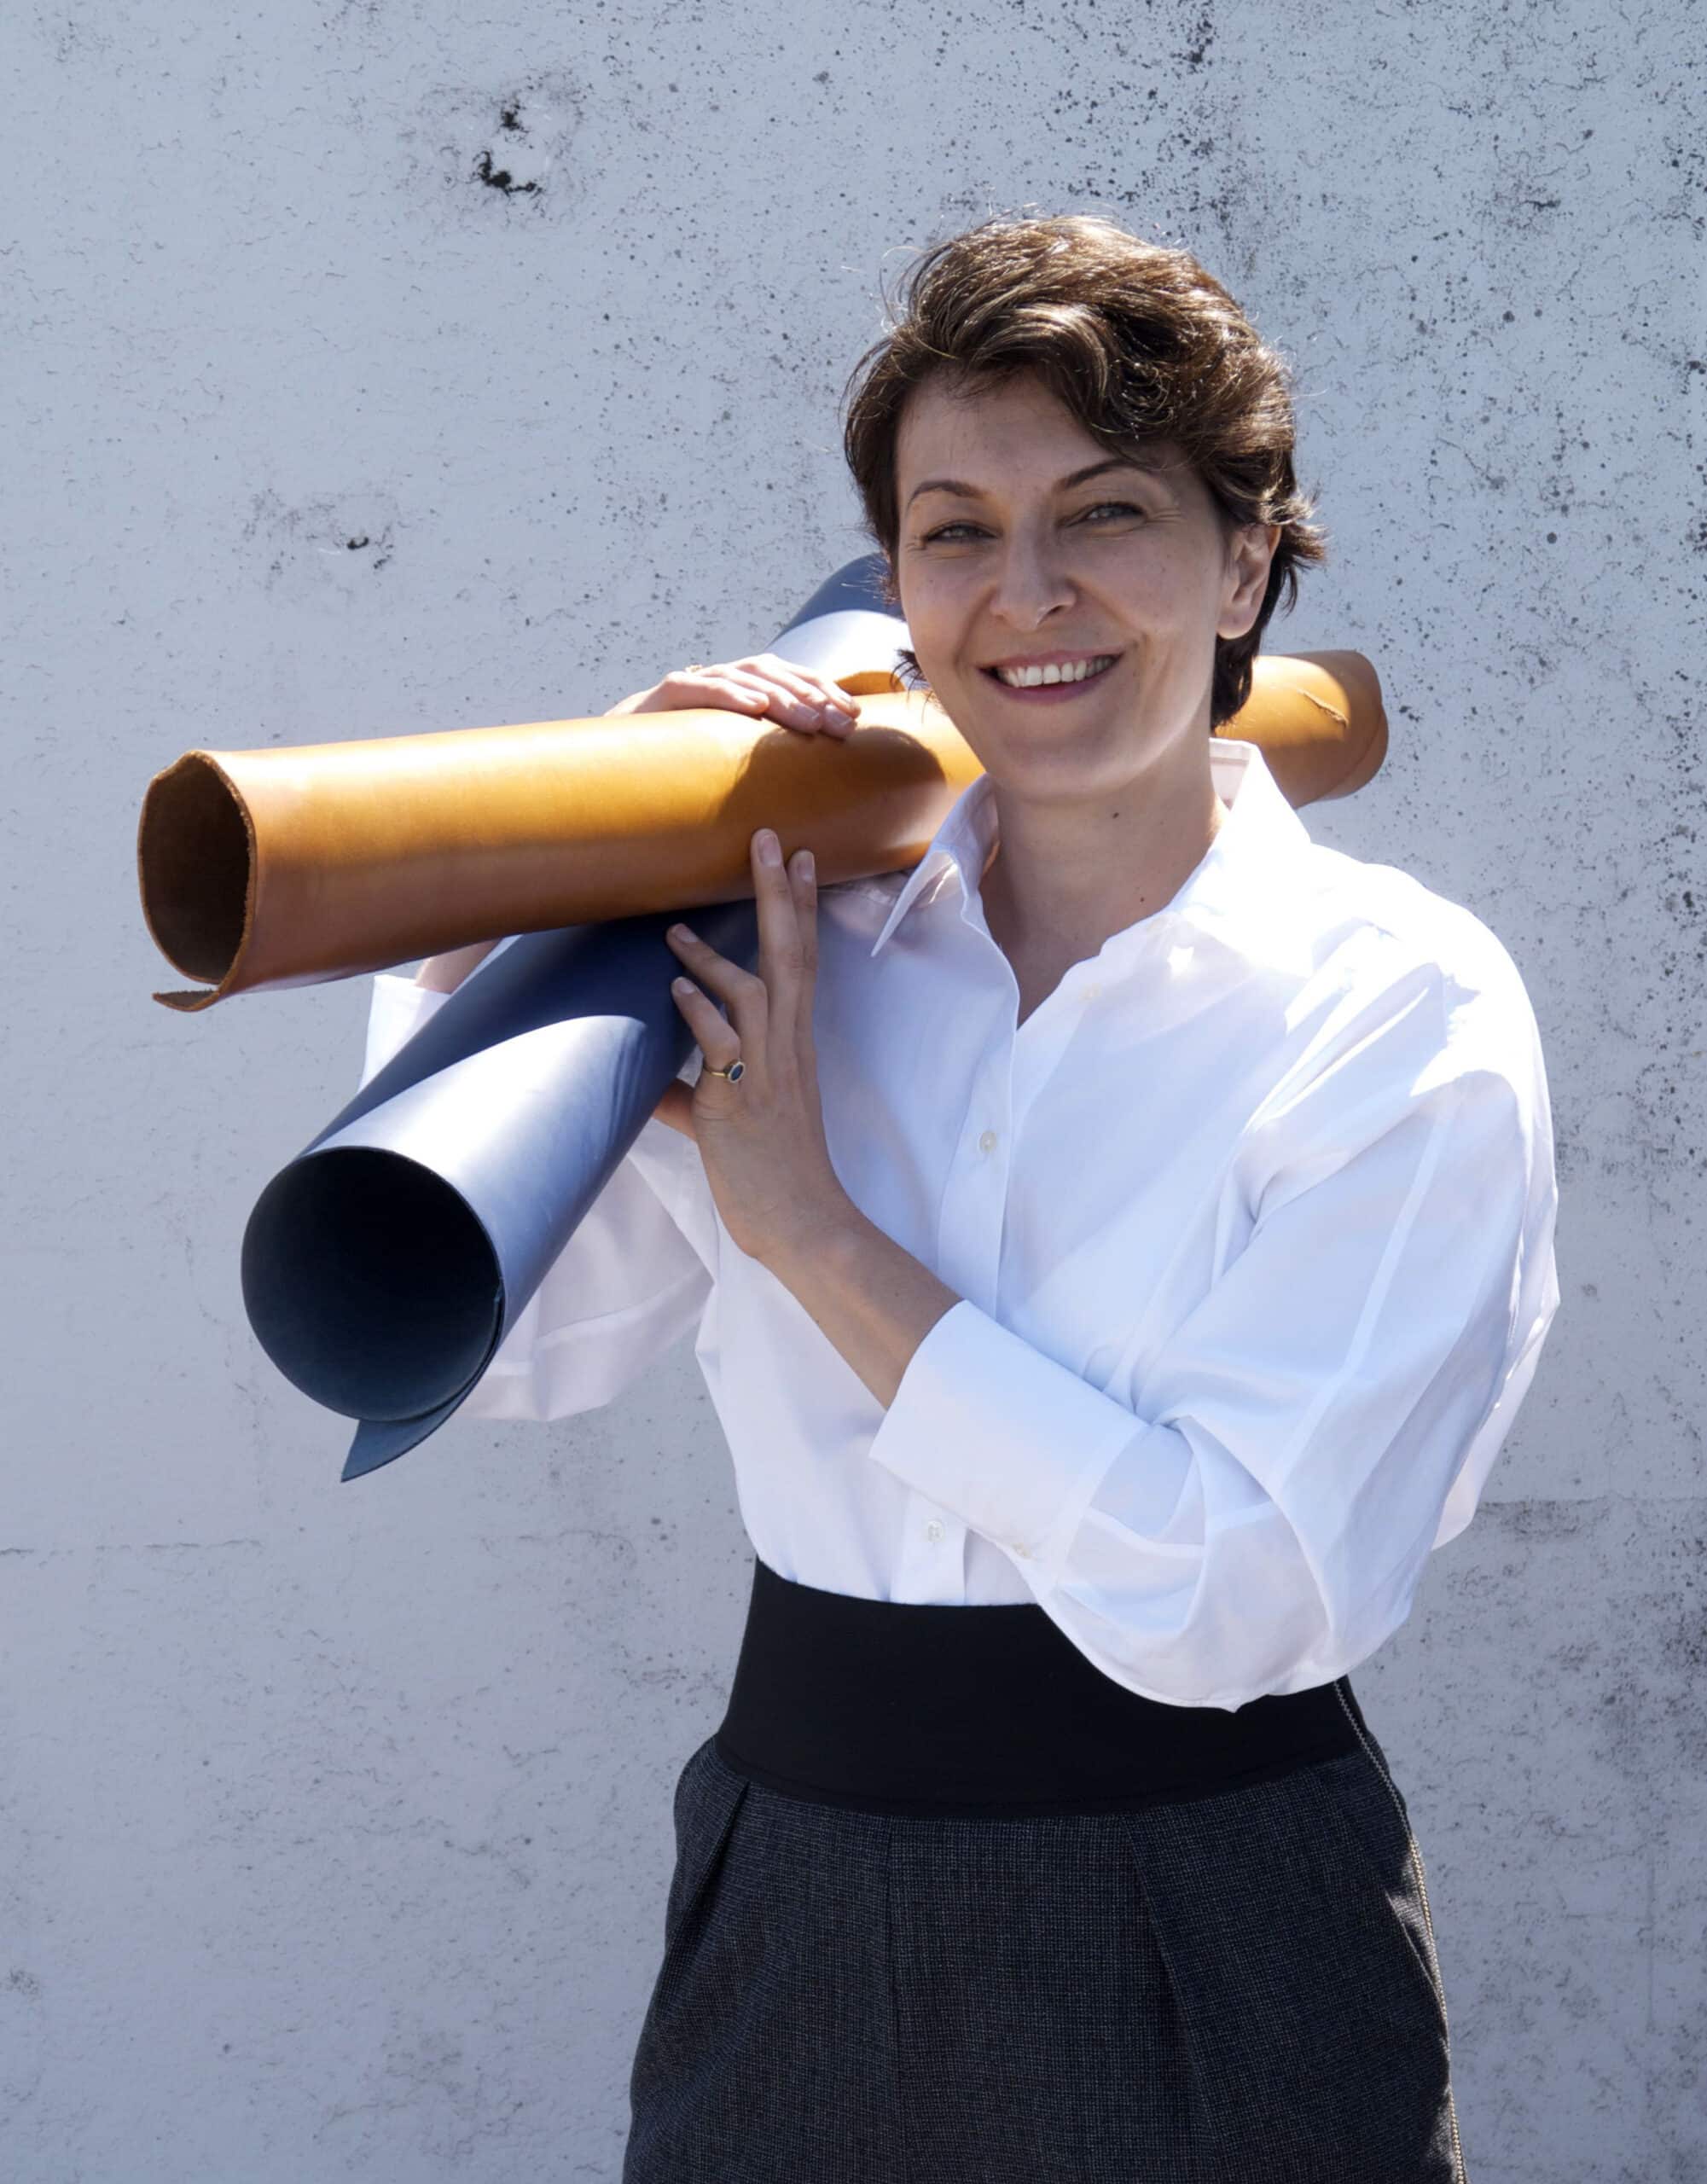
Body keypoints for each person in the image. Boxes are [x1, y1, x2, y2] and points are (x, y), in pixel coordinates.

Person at [357, 216, 1559, 2182]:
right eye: (953, 530)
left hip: (1211, 1910)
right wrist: (550, 892)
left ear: (1245, 552)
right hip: (793, 1890)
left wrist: (815, 1233)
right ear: (896, 579)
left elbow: (1237, 1588)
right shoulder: (783, 938)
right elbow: (515, 1358)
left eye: (1102, 514)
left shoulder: (1395, 1008)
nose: (1027, 595)